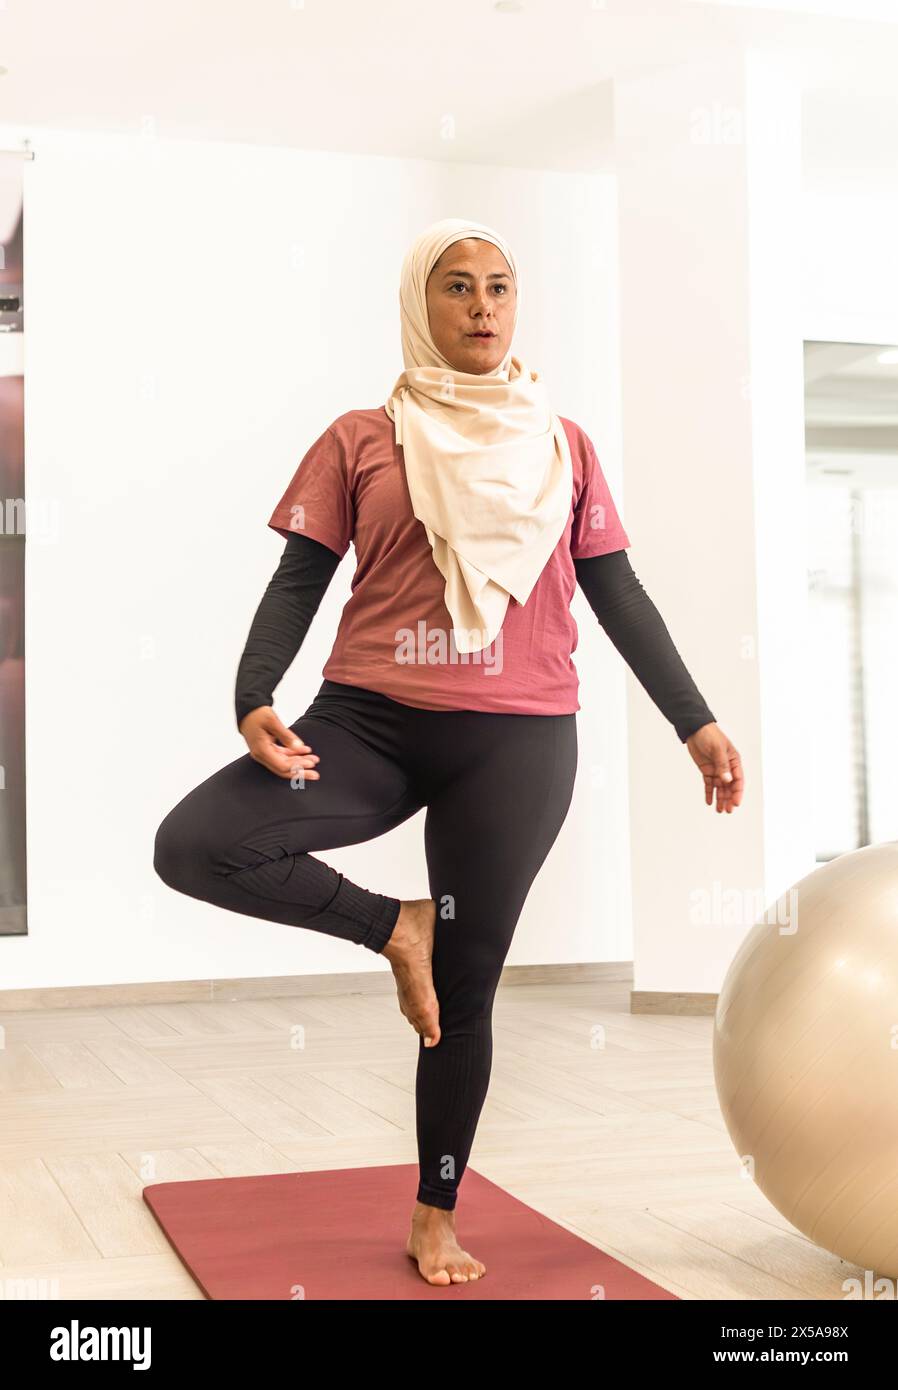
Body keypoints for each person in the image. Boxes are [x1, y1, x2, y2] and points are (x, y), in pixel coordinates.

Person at [153, 216, 744, 1288]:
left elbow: (615, 591)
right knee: (196, 843)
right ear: (419, 306)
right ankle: (397, 928)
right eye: (458, 287)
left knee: (465, 992)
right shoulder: (360, 436)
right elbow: (301, 580)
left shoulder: (563, 444)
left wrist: (691, 717)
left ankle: (435, 1210)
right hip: (366, 720)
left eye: (499, 288)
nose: (480, 307)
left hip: (516, 742)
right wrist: (253, 699)